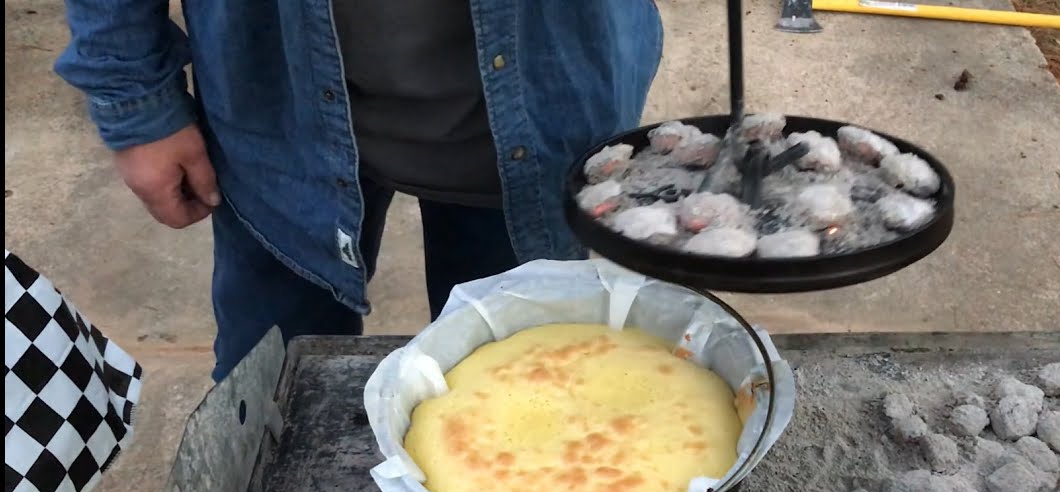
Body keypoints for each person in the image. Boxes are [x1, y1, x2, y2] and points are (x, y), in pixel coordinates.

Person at [55, 1, 664, 381]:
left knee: (524, 389)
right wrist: (136, 99)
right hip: (275, 109)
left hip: (538, 108)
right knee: (269, 402)